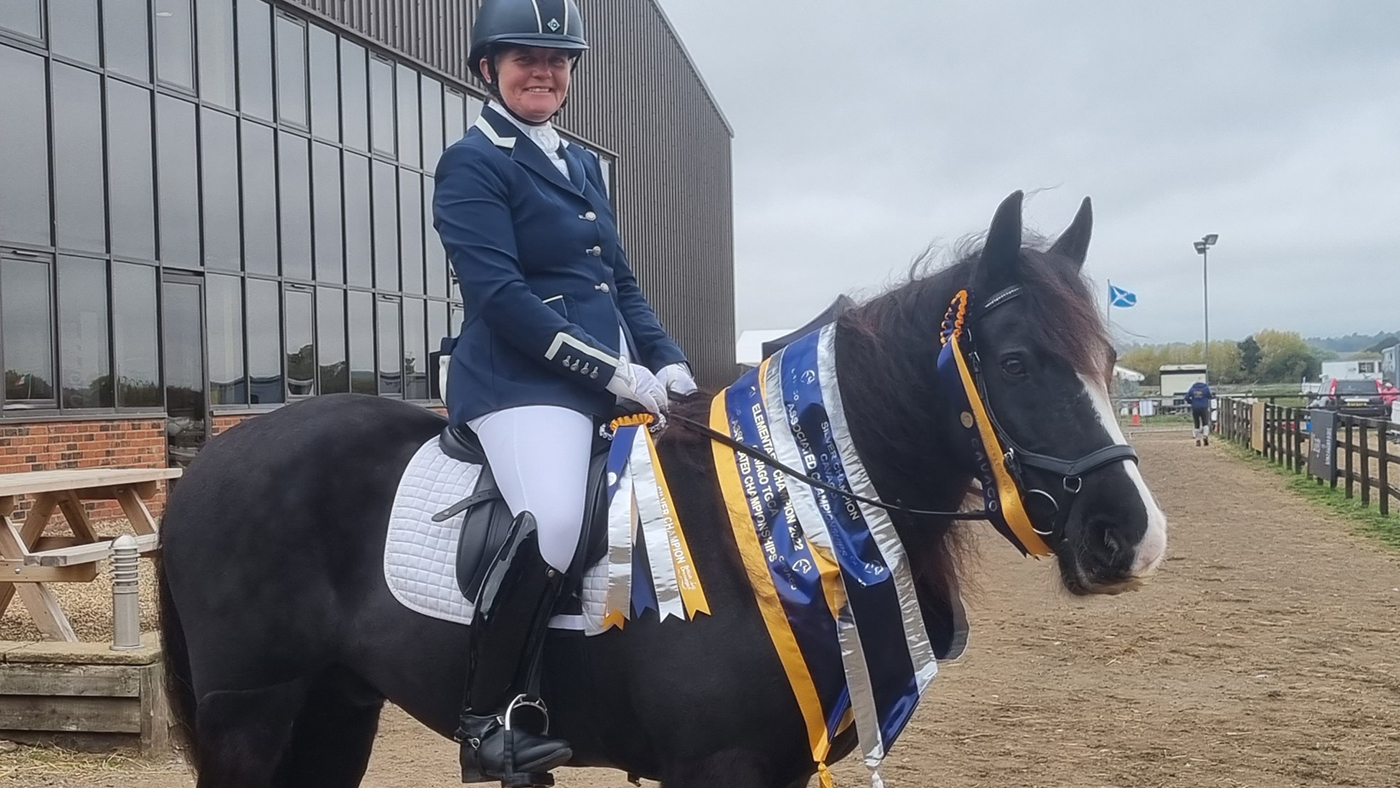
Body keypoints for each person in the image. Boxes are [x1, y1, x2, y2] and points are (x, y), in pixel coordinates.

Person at [431, 0, 696, 780]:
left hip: (602, 384)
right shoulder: (472, 161)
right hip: (516, 381)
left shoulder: (580, 163)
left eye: (557, 61)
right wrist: (613, 372)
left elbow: (617, 280)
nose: (543, 72)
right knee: (550, 520)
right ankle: (486, 721)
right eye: (524, 59)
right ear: (488, 68)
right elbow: (501, 298)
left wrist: (667, 360)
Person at [1184, 376, 1213, 446]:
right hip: (1204, 407)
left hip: (1195, 408)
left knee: (1196, 424)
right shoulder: (1205, 388)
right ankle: (1205, 436)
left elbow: (1186, 397)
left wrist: (1192, 402)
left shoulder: (1193, 388)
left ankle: (1197, 439)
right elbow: (1210, 396)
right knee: (1205, 423)